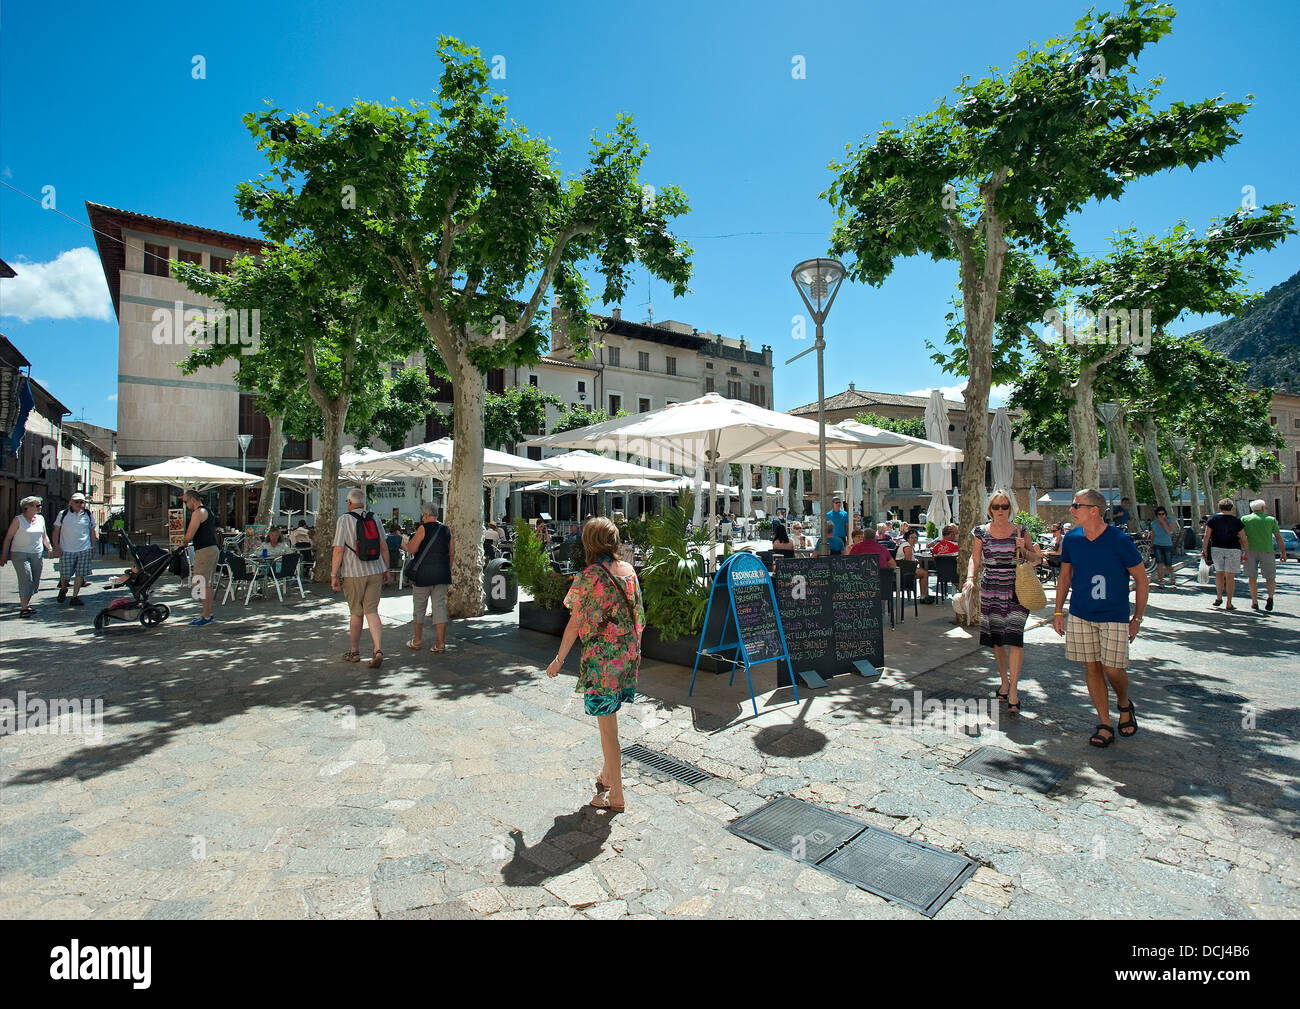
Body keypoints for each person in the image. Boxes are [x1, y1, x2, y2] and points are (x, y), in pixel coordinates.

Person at [546, 517, 645, 814]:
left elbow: (574, 623)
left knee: (608, 732)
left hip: (603, 660)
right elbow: (639, 616)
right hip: (627, 654)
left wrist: (558, 659)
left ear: (589, 543)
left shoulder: (589, 576)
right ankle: (605, 778)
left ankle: (616, 796)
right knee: (610, 722)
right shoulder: (629, 572)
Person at [1052, 488, 1149, 748]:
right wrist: (1058, 611)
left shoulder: (1119, 540)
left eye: (1076, 506)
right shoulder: (1071, 540)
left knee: (1113, 669)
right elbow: (1064, 578)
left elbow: (1141, 579)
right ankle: (1104, 721)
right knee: (1092, 667)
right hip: (1082, 613)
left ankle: (1124, 703)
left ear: (1093, 510)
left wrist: (1137, 618)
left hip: (1114, 615)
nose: (1071, 510)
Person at [965, 489, 1041, 715]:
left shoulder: (1021, 530)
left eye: (1004, 506)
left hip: (1017, 586)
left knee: (1015, 638)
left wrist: (1023, 549)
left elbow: (1035, 559)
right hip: (991, 587)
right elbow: (975, 557)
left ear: (1010, 508)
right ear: (990, 509)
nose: (1000, 511)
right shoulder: (981, 532)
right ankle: (1004, 682)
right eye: (996, 507)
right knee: (997, 640)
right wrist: (970, 578)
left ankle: (1014, 690)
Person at [332, 488, 391, 667]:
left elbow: (339, 549)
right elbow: (383, 546)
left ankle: (354, 651)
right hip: (375, 569)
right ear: (363, 502)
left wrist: (334, 574)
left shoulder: (344, 519)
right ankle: (378, 649)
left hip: (353, 573)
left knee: (356, 613)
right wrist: (386, 568)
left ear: (349, 503)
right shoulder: (375, 518)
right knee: (372, 611)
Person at [403, 500, 454, 652]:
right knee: (439, 607)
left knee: (419, 608)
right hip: (442, 573)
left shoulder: (422, 529)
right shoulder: (446, 529)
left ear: (425, 515)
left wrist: (404, 544)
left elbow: (412, 549)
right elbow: (451, 553)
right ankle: (440, 643)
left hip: (423, 575)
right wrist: (447, 568)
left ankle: (417, 640)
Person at [2, 496, 52, 617]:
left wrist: (49, 548)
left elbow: (44, 535)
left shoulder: (40, 519)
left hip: (37, 553)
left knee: (34, 582)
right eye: (37, 505)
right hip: (19, 553)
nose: (40, 507)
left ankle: (27, 604)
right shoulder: (18, 520)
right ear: (27, 507)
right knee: (26, 578)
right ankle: (24, 608)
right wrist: (4, 555)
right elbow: (8, 538)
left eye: (40, 505)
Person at [179, 489, 219, 626]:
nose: (185, 505)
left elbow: (190, 534)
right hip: (209, 549)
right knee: (203, 582)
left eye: (185, 502)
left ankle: (206, 616)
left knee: (202, 583)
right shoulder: (208, 511)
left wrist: (182, 542)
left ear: (193, 500)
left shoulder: (198, 512)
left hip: (205, 551)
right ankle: (206, 613)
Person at [53, 492, 98, 607]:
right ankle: (63, 588)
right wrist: (56, 546)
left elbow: (92, 531)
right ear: (71, 503)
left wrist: (93, 546)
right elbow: (56, 530)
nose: (79, 504)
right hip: (66, 549)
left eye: (81, 502)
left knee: (80, 574)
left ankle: (75, 597)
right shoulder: (63, 514)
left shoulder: (88, 514)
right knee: (65, 574)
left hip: (84, 548)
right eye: (76, 502)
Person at [1201, 498, 1247, 611]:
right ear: (1232, 508)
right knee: (1230, 576)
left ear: (1219, 508)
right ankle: (1229, 602)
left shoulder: (1213, 519)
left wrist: (1204, 550)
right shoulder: (1237, 521)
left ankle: (1219, 597)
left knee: (1219, 573)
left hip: (1217, 548)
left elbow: (1207, 536)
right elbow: (1243, 537)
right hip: (1233, 549)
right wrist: (1246, 551)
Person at [1241, 498, 1286, 612]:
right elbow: (1278, 537)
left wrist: (1242, 550)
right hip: (1267, 550)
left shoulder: (1245, 519)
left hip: (1250, 551)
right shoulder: (1271, 520)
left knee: (1252, 577)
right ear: (1262, 508)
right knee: (1270, 577)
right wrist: (1283, 552)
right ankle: (1270, 597)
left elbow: (1241, 536)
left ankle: (1254, 601)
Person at [895, 528, 932, 601]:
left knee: (922, 571)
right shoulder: (908, 547)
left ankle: (923, 595)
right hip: (904, 570)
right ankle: (923, 596)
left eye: (915, 537)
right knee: (925, 573)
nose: (914, 539)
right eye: (912, 537)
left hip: (902, 569)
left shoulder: (907, 545)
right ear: (907, 538)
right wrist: (917, 562)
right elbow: (908, 561)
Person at [1151, 508, 1178, 589]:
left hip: (1167, 545)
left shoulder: (1169, 521)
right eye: (1159, 514)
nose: (1161, 515)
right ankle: (1161, 581)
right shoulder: (1153, 523)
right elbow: (1153, 533)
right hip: (1157, 544)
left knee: (1168, 564)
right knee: (1159, 563)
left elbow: (1169, 531)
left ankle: (1172, 576)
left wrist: (1163, 522)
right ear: (1156, 515)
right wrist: (1151, 545)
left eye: (1163, 514)